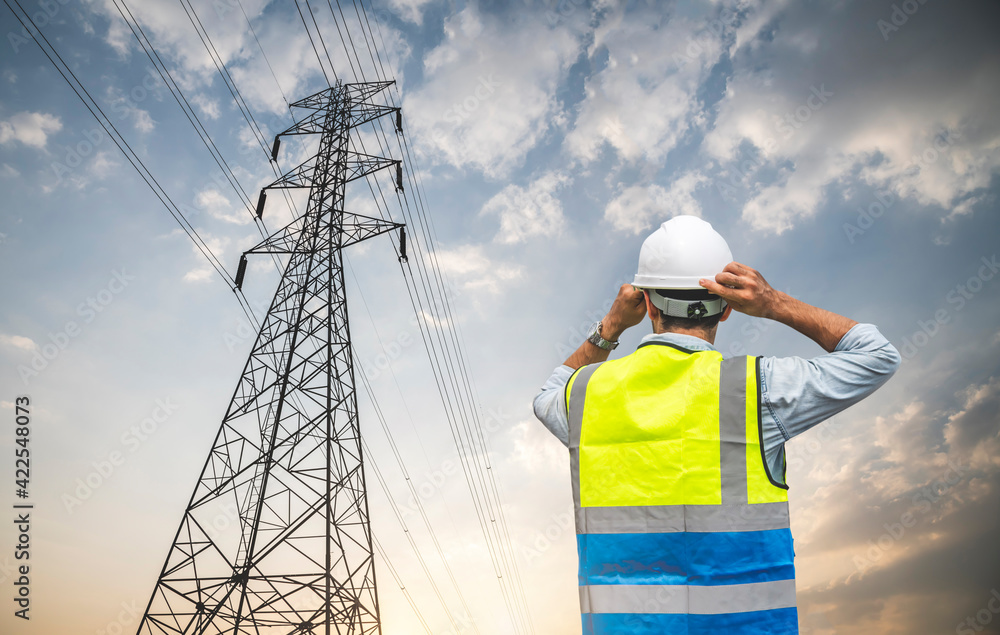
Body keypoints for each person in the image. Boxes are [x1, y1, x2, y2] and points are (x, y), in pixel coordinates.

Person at [532, 215, 900, 634]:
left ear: (647, 304)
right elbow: (877, 355)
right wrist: (774, 303)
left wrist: (611, 326)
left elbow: (548, 394)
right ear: (727, 310)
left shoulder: (584, 396)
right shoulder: (757, 390)